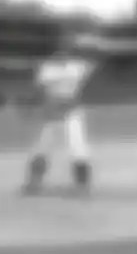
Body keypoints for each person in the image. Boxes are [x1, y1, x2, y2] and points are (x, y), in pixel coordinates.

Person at [20, 33, 96, 195]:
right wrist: (30, 107)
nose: (63, 52)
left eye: (66, 49)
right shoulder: (47, 69)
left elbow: (84, 86)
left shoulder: (78, 67)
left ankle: (82, 185)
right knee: (42, 147)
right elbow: (38, 91)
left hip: (72, 112)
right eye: (59, 49)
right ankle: (34, 182)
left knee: (78, 146)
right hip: (52, 113)